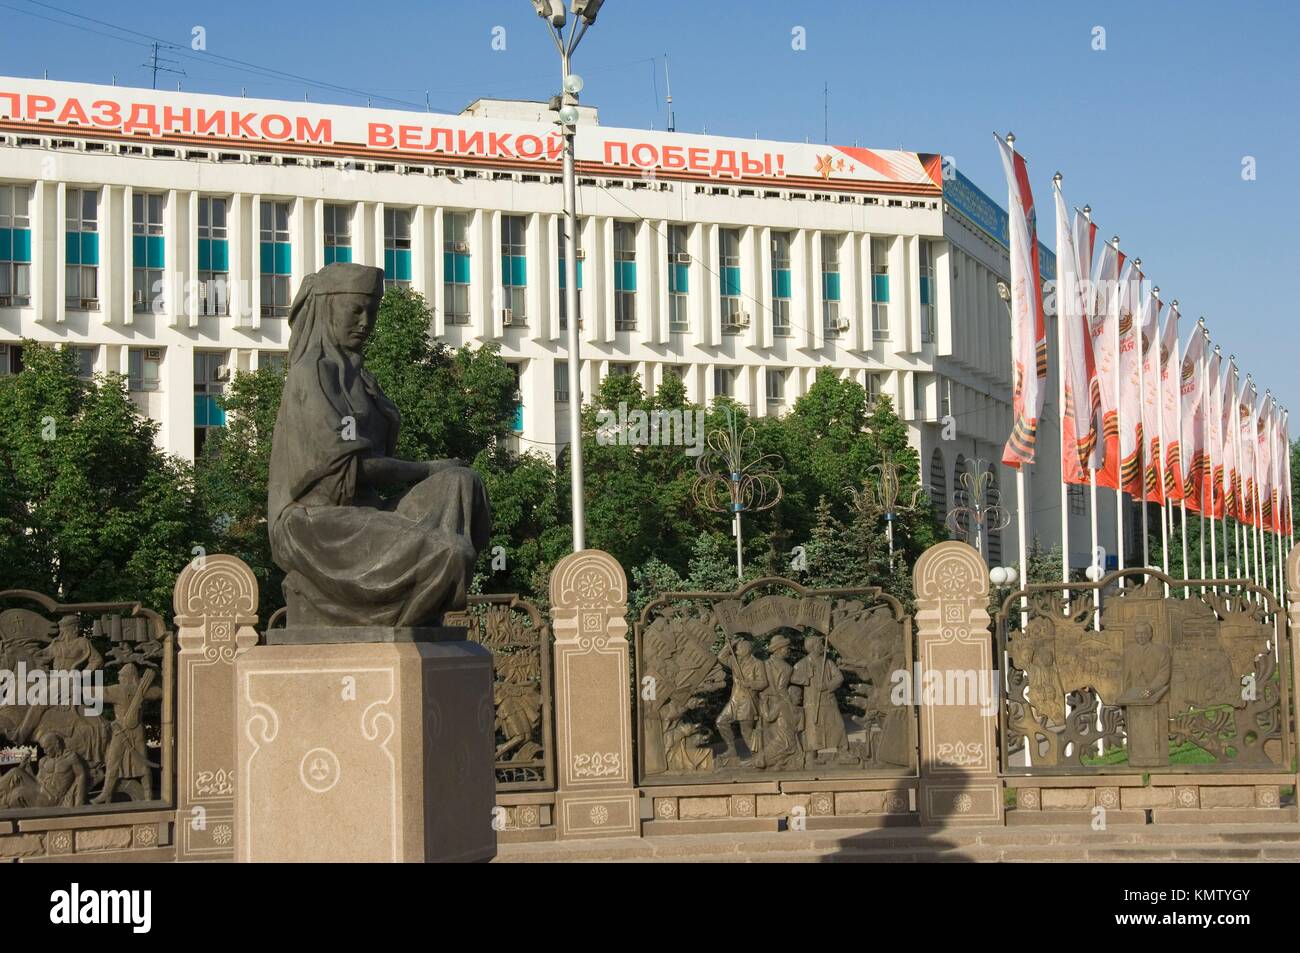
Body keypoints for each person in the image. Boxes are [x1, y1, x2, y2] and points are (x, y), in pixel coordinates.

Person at [267, 263, 491, 628]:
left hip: (365, 513)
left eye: (372, 311)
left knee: (463, 482)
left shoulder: (361, 378)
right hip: (313, 522)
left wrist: (439, 472)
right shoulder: (311, 374)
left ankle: (414, 622)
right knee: (450, 551)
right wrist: (428, 468)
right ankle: (403, 629)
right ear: (327, 307)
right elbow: (353, 468)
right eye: (356, 309)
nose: (365, 321)